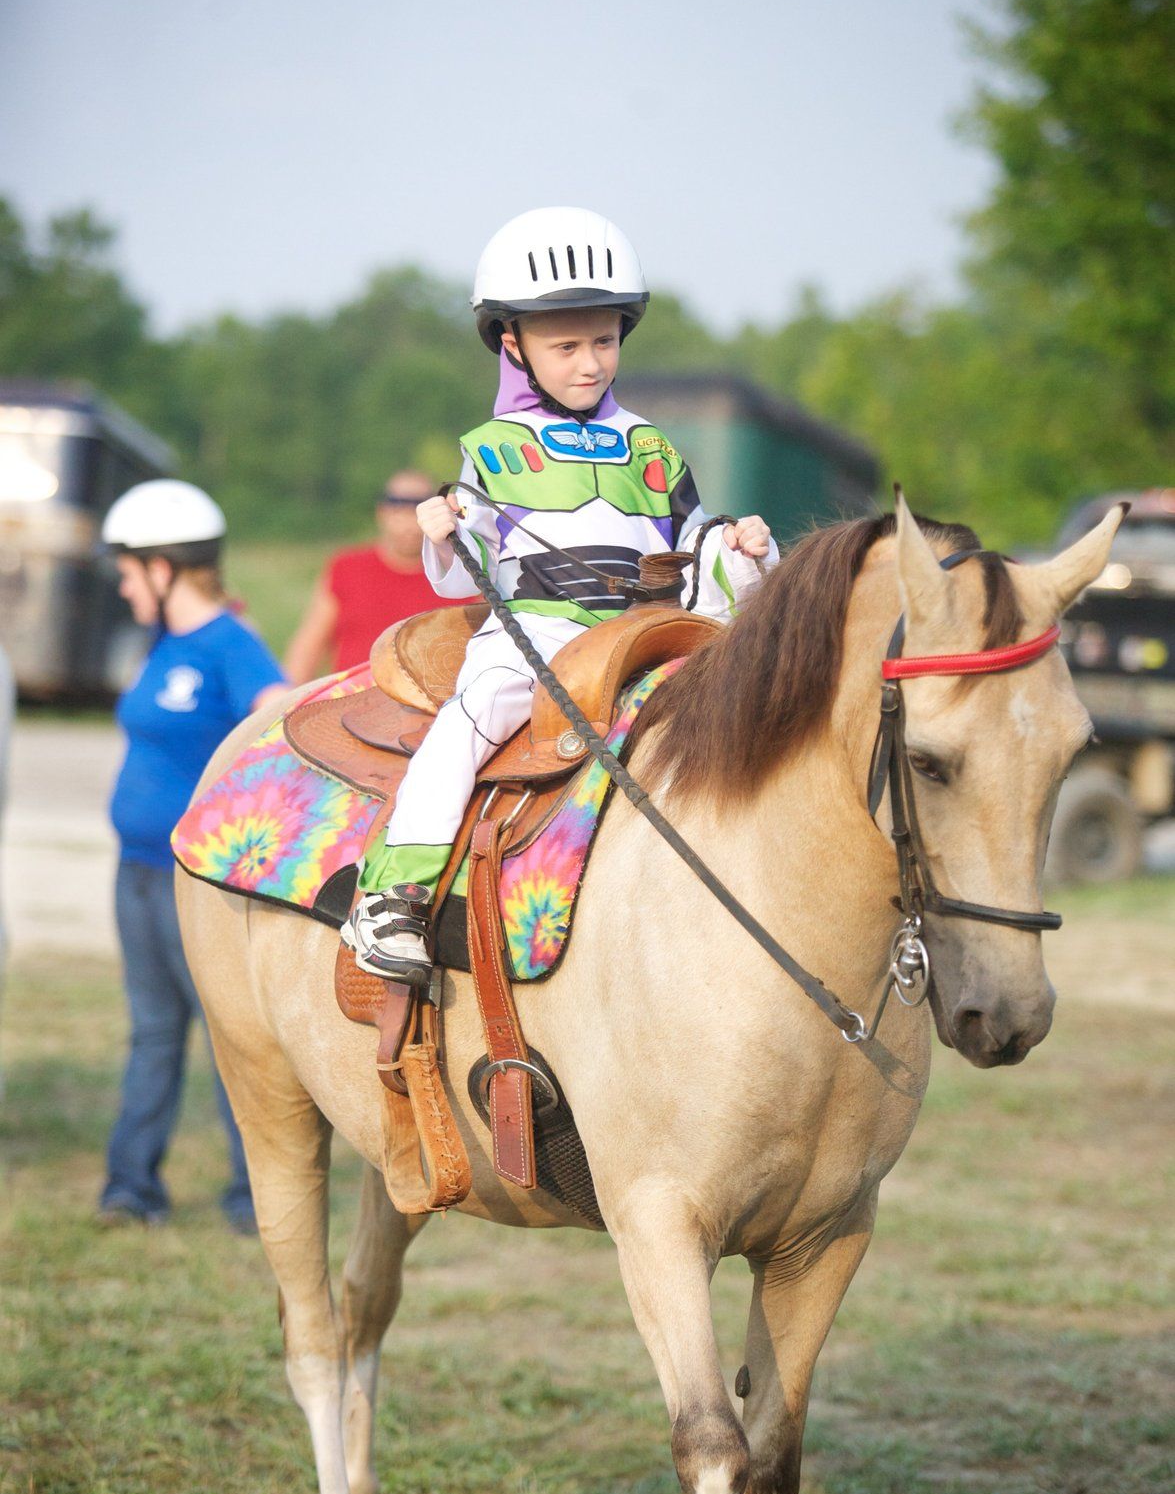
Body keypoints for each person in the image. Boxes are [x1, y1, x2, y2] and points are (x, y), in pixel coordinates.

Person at [342, 206, 778, 986]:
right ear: (513, 344)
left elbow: (695, 539)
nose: (589, 364)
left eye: (603, 341)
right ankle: (391, 897)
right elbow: (464, 569)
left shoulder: (652, 446)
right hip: (537, 633)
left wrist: (741, 549)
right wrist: (445, 531)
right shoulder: (492, 448)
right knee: (472, 718)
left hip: (652, 629)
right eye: (565, 345)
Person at [98, 479, 287, 1232]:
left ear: (165, 566)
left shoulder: (227, 644)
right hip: (134, 872)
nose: (120, 583)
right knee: (151, 1031)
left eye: (127, 568)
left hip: (193, 881)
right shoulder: (162, 642)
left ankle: (254, 1195)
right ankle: (131, 1187)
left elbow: (279, 711)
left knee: (229, 1039)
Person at [284, 470, 474, 683]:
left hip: (433, 705)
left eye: (416, 510)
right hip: (353, 701)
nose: (408, 522)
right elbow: (309, 646)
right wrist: (287, 706)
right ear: (381, 512)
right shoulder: (347, 568)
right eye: (398, 509)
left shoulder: (460, 576)